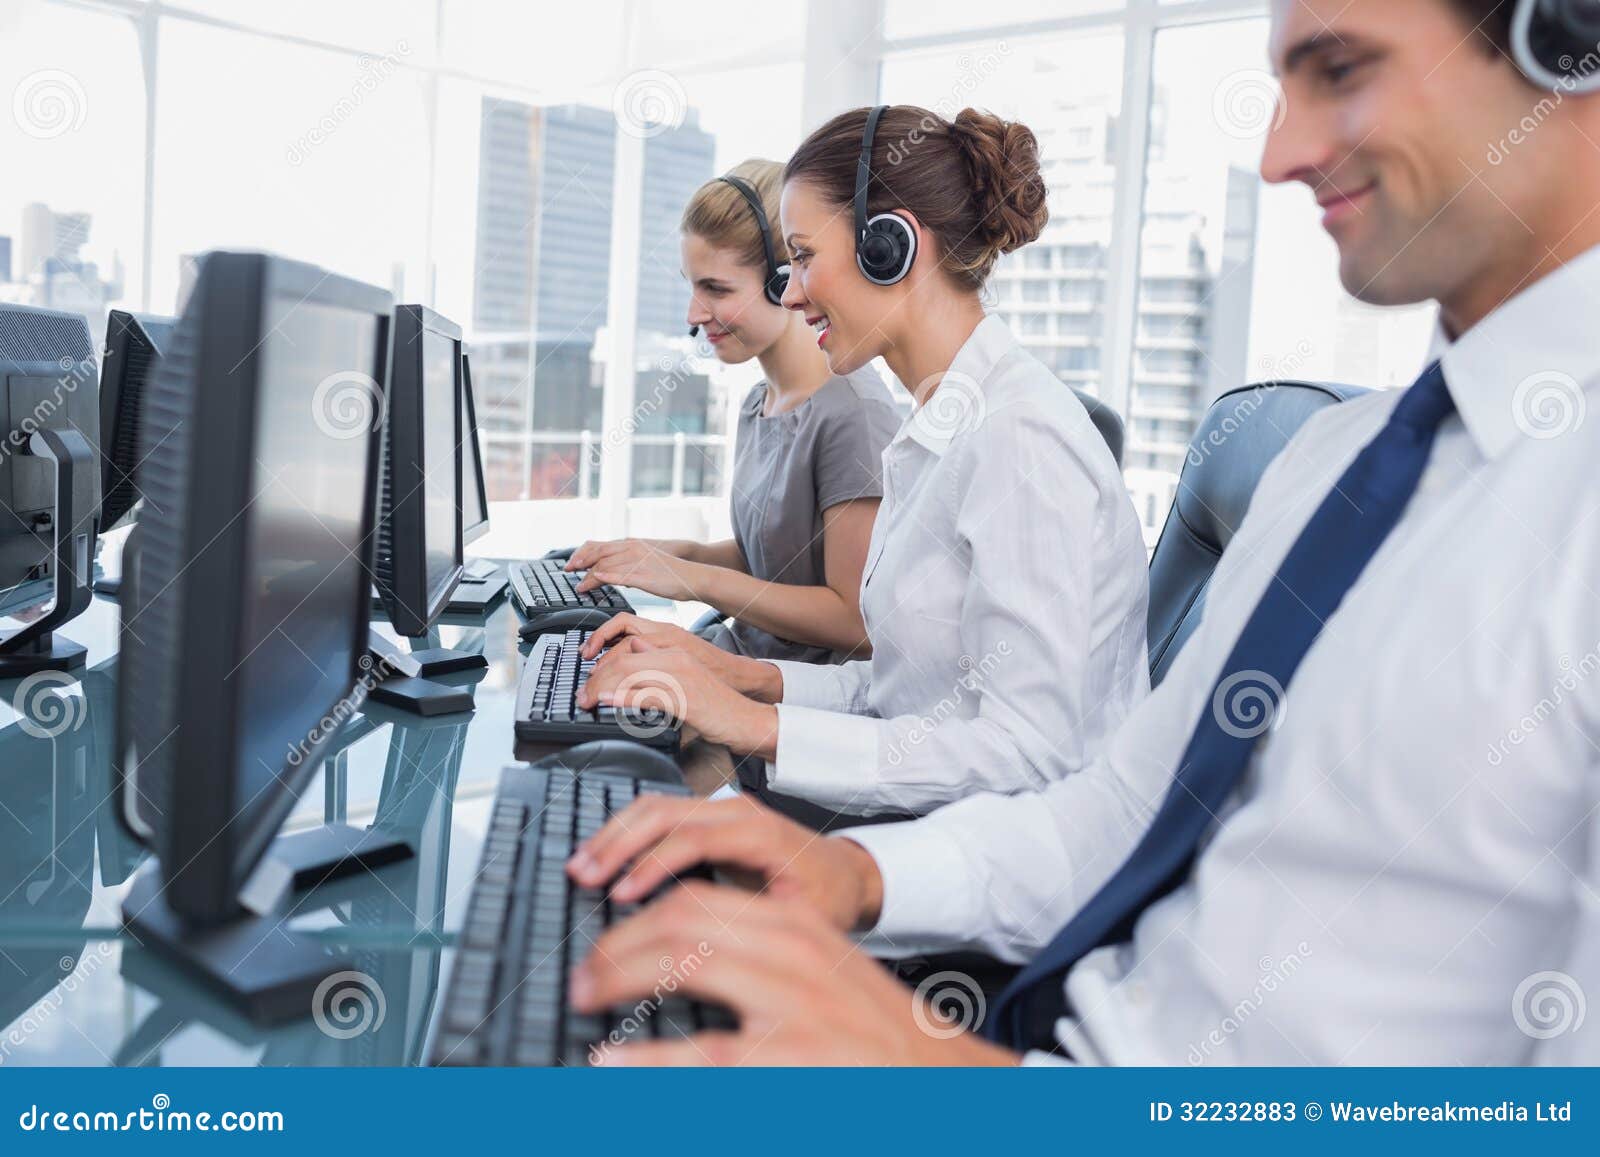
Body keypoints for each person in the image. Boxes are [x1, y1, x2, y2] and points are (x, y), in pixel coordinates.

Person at [564, 0, 1600, 1065]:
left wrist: (946, 1071)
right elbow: (1116, 806)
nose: (1278, 152)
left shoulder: (1026, 439)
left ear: (1565, 33)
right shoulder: (1333, 463)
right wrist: (856, 877)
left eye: (1340, 70)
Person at [575, 105, 1152, 819]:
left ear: (893, 245)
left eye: (805, 257)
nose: (790, 291)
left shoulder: (1020, 436)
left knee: (619, 867)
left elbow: (1028, 754)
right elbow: (895, 691)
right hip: (935, 828)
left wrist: (755, 724)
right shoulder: (936, 426)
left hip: (1011, 872)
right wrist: (732, 675)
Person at [565, 160, 899, 665]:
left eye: (716, 290)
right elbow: (768, 558)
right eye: (693, 286)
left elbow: (855, 621)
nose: (693, 315)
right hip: (737, 661)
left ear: (784, 281)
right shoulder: (757, 403)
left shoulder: (853, 414)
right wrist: (649, 556)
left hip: (790, 705)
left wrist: (695, 580)